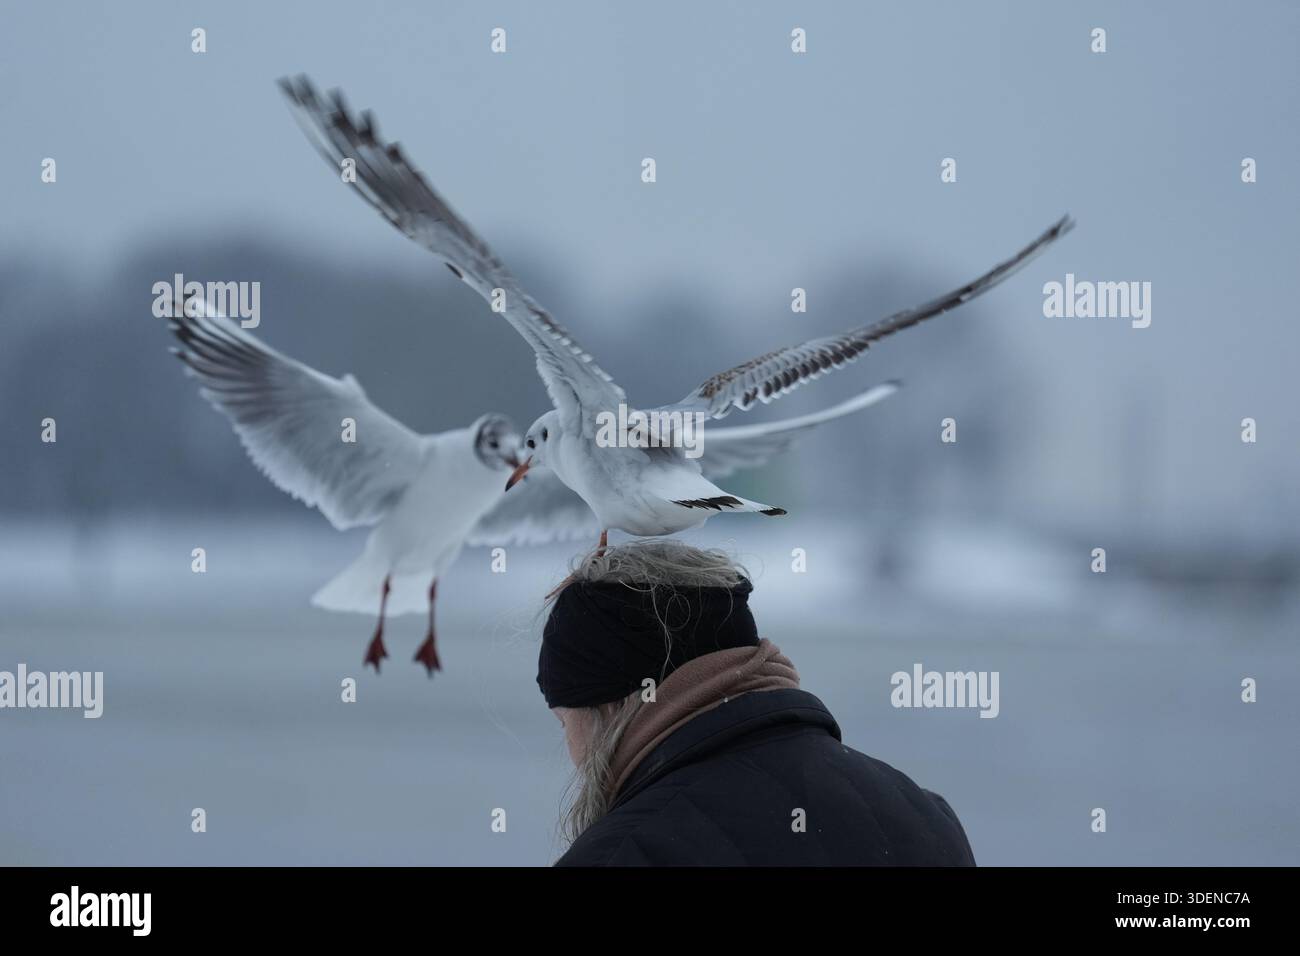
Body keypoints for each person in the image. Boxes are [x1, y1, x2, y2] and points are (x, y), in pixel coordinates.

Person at [538, 540, 977, 866]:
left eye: (564, 723)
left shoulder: (626, 855)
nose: (572, 754)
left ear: (609, 709)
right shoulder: (923, 816)